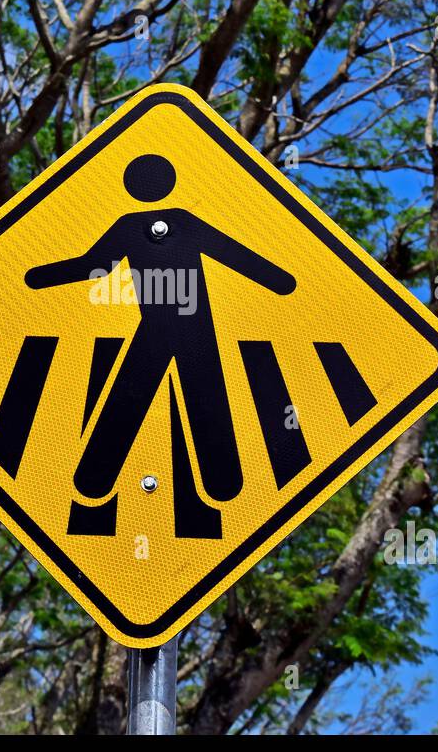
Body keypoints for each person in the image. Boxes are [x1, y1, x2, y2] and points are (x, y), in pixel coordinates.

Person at [26, 152, 295, 503]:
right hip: (175, 324)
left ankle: (101, 480)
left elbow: (94, 267)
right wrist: (34, 278)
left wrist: (281, 282)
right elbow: (231, 253)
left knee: (174, 394)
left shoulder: (148, 223)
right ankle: (216, 482)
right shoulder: (154, 223)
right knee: (178, 393)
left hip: (174, 325)